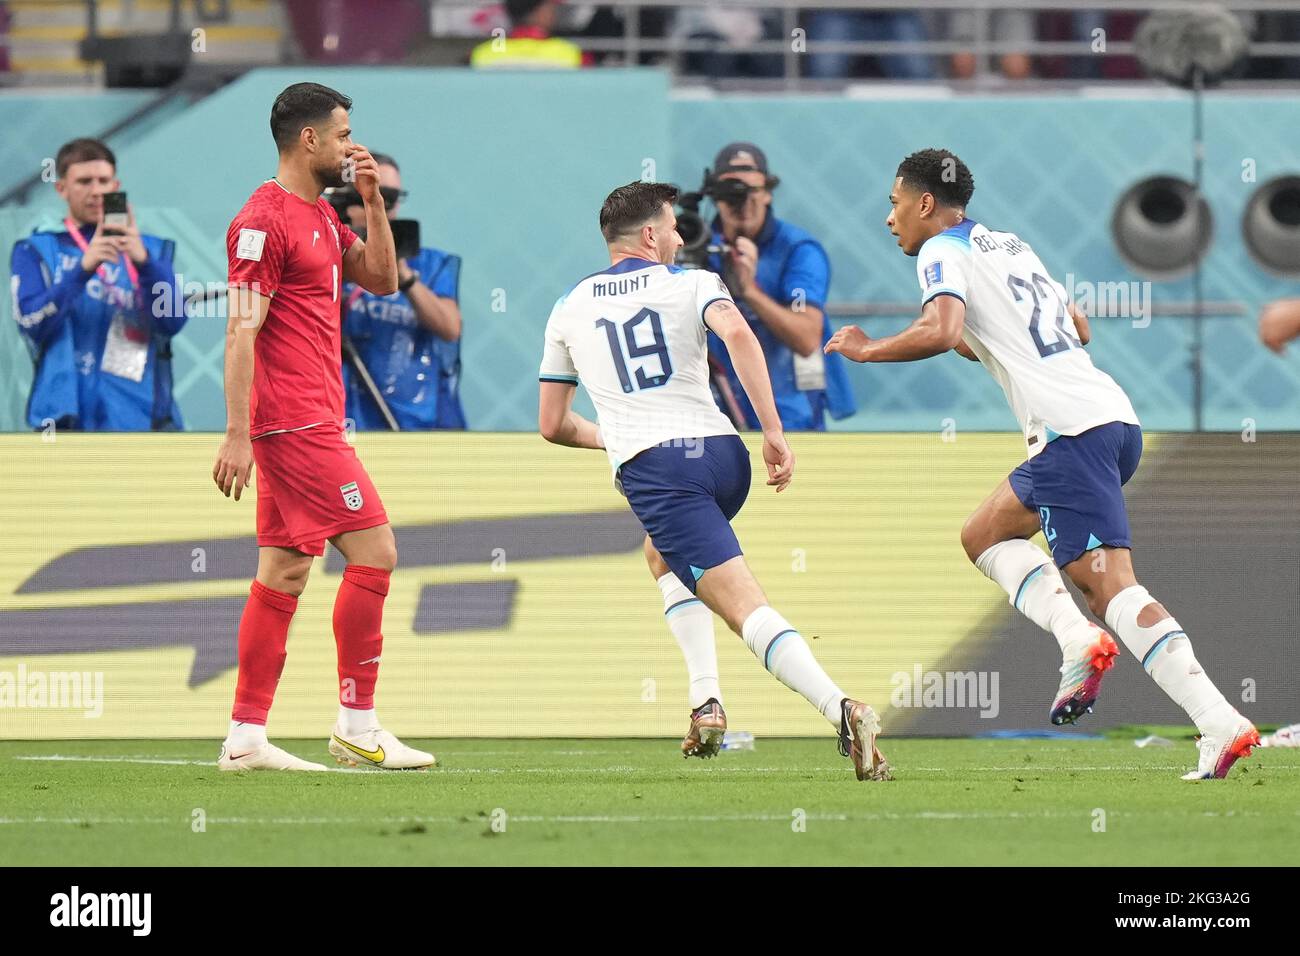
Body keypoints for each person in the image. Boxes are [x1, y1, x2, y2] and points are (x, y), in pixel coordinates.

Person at [826, 148, 1258, 780]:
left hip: (1068, 433)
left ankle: (1218, 721)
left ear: (924, 204)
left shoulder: (939, 252)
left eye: (894, 203)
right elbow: (1075, 326)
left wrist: (867, 350)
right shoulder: (1008, 245)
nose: (889, 218)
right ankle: (1078, 639)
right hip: (1109, 419)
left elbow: (942, 331)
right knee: (984, 533)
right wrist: (986, 338)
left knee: (1111, 588)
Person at [538, 180, 889, 781]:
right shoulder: (697, 282)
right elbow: (740, 336)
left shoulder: (568, 306)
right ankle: (707, 705)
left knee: (743, 607)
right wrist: (772, 430)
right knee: (661, 553)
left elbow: (552, 424)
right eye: (672, 227)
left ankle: (842, 708)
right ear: (650, 235)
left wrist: (618, 437)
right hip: (724, 457)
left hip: (659, 470)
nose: (679, 236)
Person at [212, 82, 432, 772]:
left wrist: (371, 203)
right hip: (293, 424)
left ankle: (246, 737)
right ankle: (356, 724)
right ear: (308, 140)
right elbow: (239, 332)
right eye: (341, 135)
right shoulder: (262, 221)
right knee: (376, 552)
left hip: (309, 419)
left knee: (283, 570)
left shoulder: (319, 217)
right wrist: (237, 434)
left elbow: (381, 279)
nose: (349, 145)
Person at [11, 137, 185, 430]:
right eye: (84, 181)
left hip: (142, 417)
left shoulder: (151, 250)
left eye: (104, 180)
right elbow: (32, 323)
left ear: (115, 187)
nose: (95, 191)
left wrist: (144, 263)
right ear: (61, 188)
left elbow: (172, 322)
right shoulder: (36, 250)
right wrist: (82, 269)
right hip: (65, 418)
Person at [702, 142, 856, 431]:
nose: (742, 201)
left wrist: (748, 290)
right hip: (717, 417)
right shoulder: (697, 247)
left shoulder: (797, 250)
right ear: (714, 197)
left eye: (751, 190)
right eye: (731, 192)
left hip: (789, 413)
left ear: (768, 193)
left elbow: (807, 336)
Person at [336, 152, 465, 430]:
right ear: (346, 201)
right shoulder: (326, 257)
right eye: (369, 194)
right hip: (339, 423)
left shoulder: (430, 264)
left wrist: (402, 274)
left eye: (390, 198)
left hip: (412, 423)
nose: (380, 205)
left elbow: (450, 327)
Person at [470, 0, 590, 69]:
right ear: (538, 13)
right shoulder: (571, 53)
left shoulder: (482, 53)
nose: (555, 13)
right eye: (550, 8)